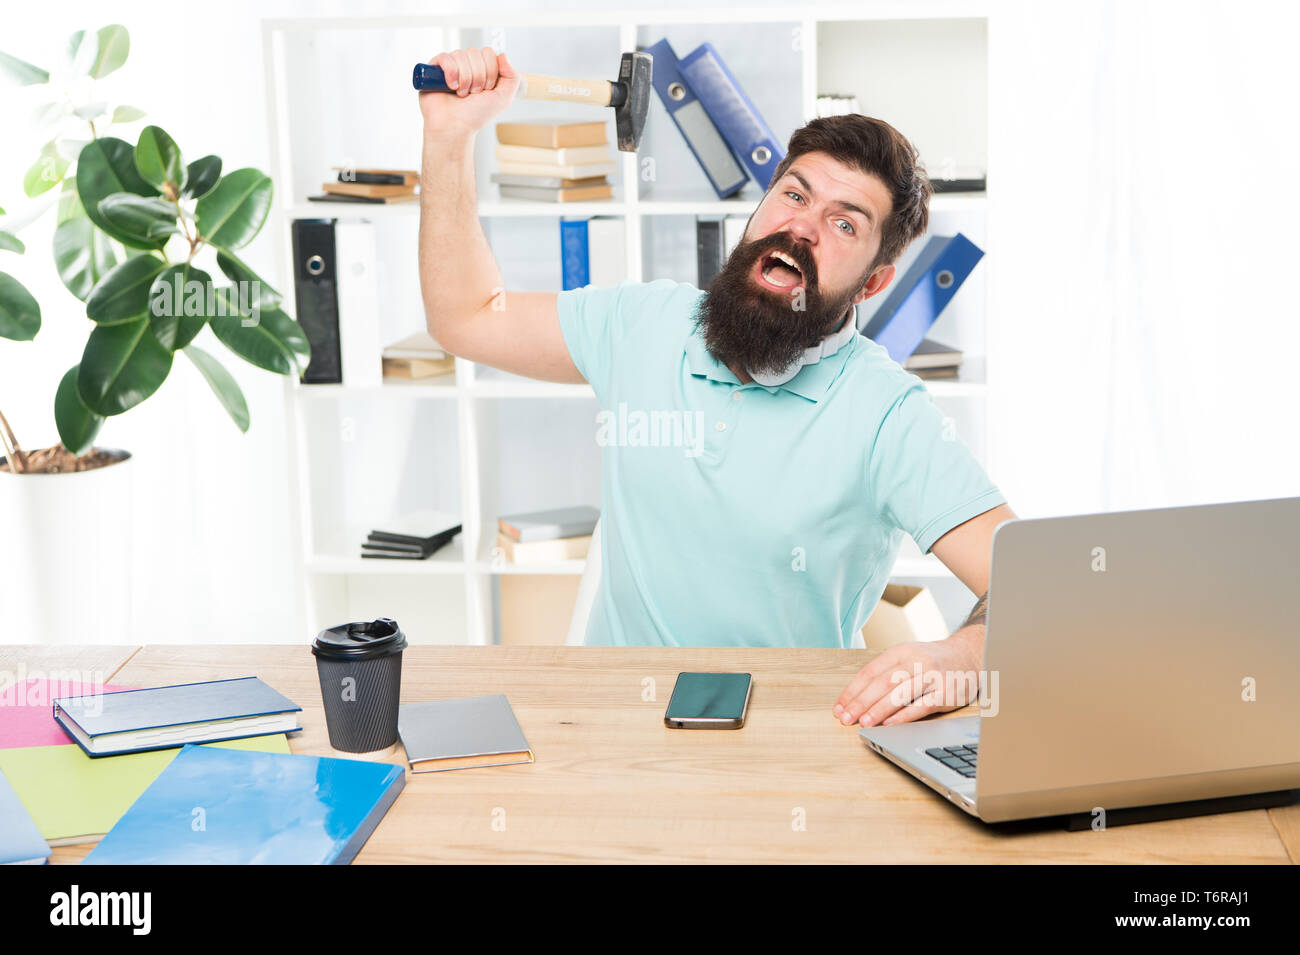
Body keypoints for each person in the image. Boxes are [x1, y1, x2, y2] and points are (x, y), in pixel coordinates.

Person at [417, 47, 1017, 728]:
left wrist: (964, 656)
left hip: (793, 744)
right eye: (794, 195)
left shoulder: (887, 414)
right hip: (615, 733)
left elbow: (1038, 591)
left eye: (844, 224)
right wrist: (449, 138)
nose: (802, 227)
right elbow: (464, 316)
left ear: (875, 281)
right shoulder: (640, 322)